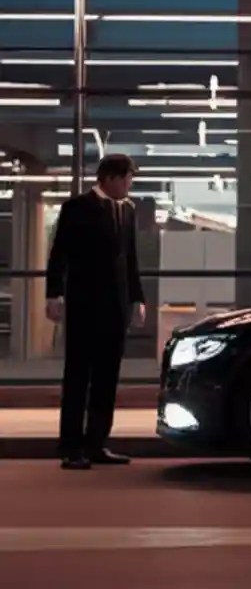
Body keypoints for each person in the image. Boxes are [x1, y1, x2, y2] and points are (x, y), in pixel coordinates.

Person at [45, 154, 146, 470]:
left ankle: (97, 443)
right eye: (128, 178)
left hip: (116, 306)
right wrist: (54, 294)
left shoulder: (127, 211)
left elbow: (130, 260)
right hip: (84, 304)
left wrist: (137, 300)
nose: (130, 184)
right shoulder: (77, 208)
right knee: (78, 377)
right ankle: (71, 447)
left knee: (107, 378)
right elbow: (59, 254)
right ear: (112, 178)